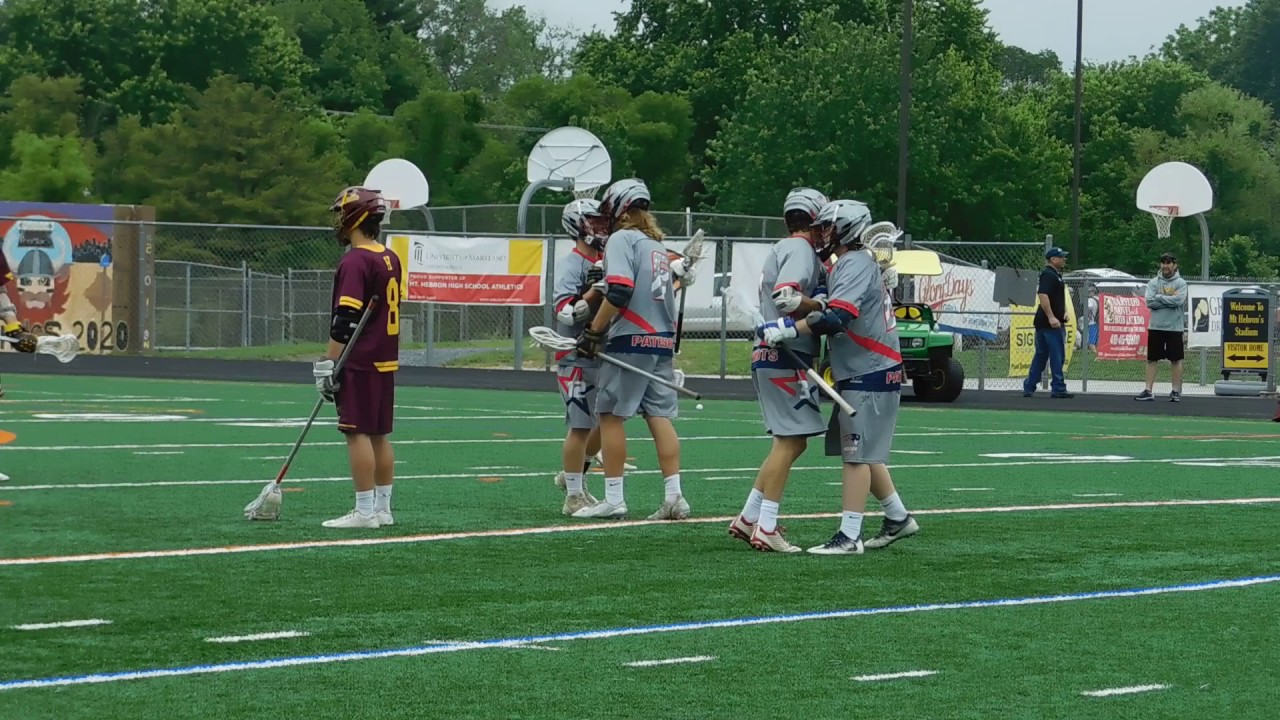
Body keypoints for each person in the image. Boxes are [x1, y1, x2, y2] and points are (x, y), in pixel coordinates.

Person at [754, 200, 918, 555]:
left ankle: (849, 536)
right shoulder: (849, 263)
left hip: (870, 367)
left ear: (847, 229)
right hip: (865, 365)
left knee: (856, 454)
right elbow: (828, 305)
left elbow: (837, 317)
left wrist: (788, 328)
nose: (821, 233)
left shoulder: (854, 262)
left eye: (828, 226)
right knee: (863, 449)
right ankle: (897, 517)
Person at [572, 178, 688, 521]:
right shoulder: (656, 245)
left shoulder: (622, 239)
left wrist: (594, 330)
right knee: (658, 416)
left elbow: (620, 290)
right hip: (661, 340)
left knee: (610, 416)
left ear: (618, 209)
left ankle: (614, 498)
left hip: (631, 338)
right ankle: (674, 497)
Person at [728, 187, 831, 553]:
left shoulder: (785, 247)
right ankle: (766, 526)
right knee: (791, 440)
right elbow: (786, 296)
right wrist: (820, 304)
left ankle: (749, 516)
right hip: (785, 354)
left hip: (775, 353)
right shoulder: (800, 250)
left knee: (790, 441)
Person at [312, 186, 403, 529]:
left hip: (360, 358)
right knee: (379, 434)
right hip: (384, 358)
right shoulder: (389, 257)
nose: (338, 220)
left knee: (357, 433)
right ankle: (383, 508)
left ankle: (365, 511)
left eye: (341, 213)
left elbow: (345, 320)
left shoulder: (355, 260)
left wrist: (328, 364)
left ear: (355, 216)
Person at [551, 198, 608, 515]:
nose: (600, 227)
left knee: (609, 420)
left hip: (604, 355)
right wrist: (596, 290)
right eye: (593, 221)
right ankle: (573, 494)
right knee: (580, 424)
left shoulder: (607, 259)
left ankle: (572, 474)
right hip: (575, 355)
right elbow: (566, 312)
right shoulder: (571, 265)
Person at [1136, 252, 1188, 402]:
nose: (1165, 266)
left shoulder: (1180, 283)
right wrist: (1168, 300)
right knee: (1152, 359)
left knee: (1176, 360)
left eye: (1168, 263)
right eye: (1163, 262)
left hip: (1174, 328)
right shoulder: (1153, 283)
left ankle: (1175, 391)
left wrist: (1159, 297)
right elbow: (1149, 302)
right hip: (1156, 326)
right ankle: (1148, 390)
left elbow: (1178, 301)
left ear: (1175, 265)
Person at [1022, 247, 1074, 399]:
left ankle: (1030, 386)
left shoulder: (1055, 275)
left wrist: (1064, 311)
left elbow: (1057, 297)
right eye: (1061, 257)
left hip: (1047, 322)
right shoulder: (1048, 275)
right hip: (1049, 323)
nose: (1064, 259)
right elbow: (1043, 295)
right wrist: (1051, 317)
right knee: (1057, 355)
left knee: (1041, 354)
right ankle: (1058, 387)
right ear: (1053, 259)